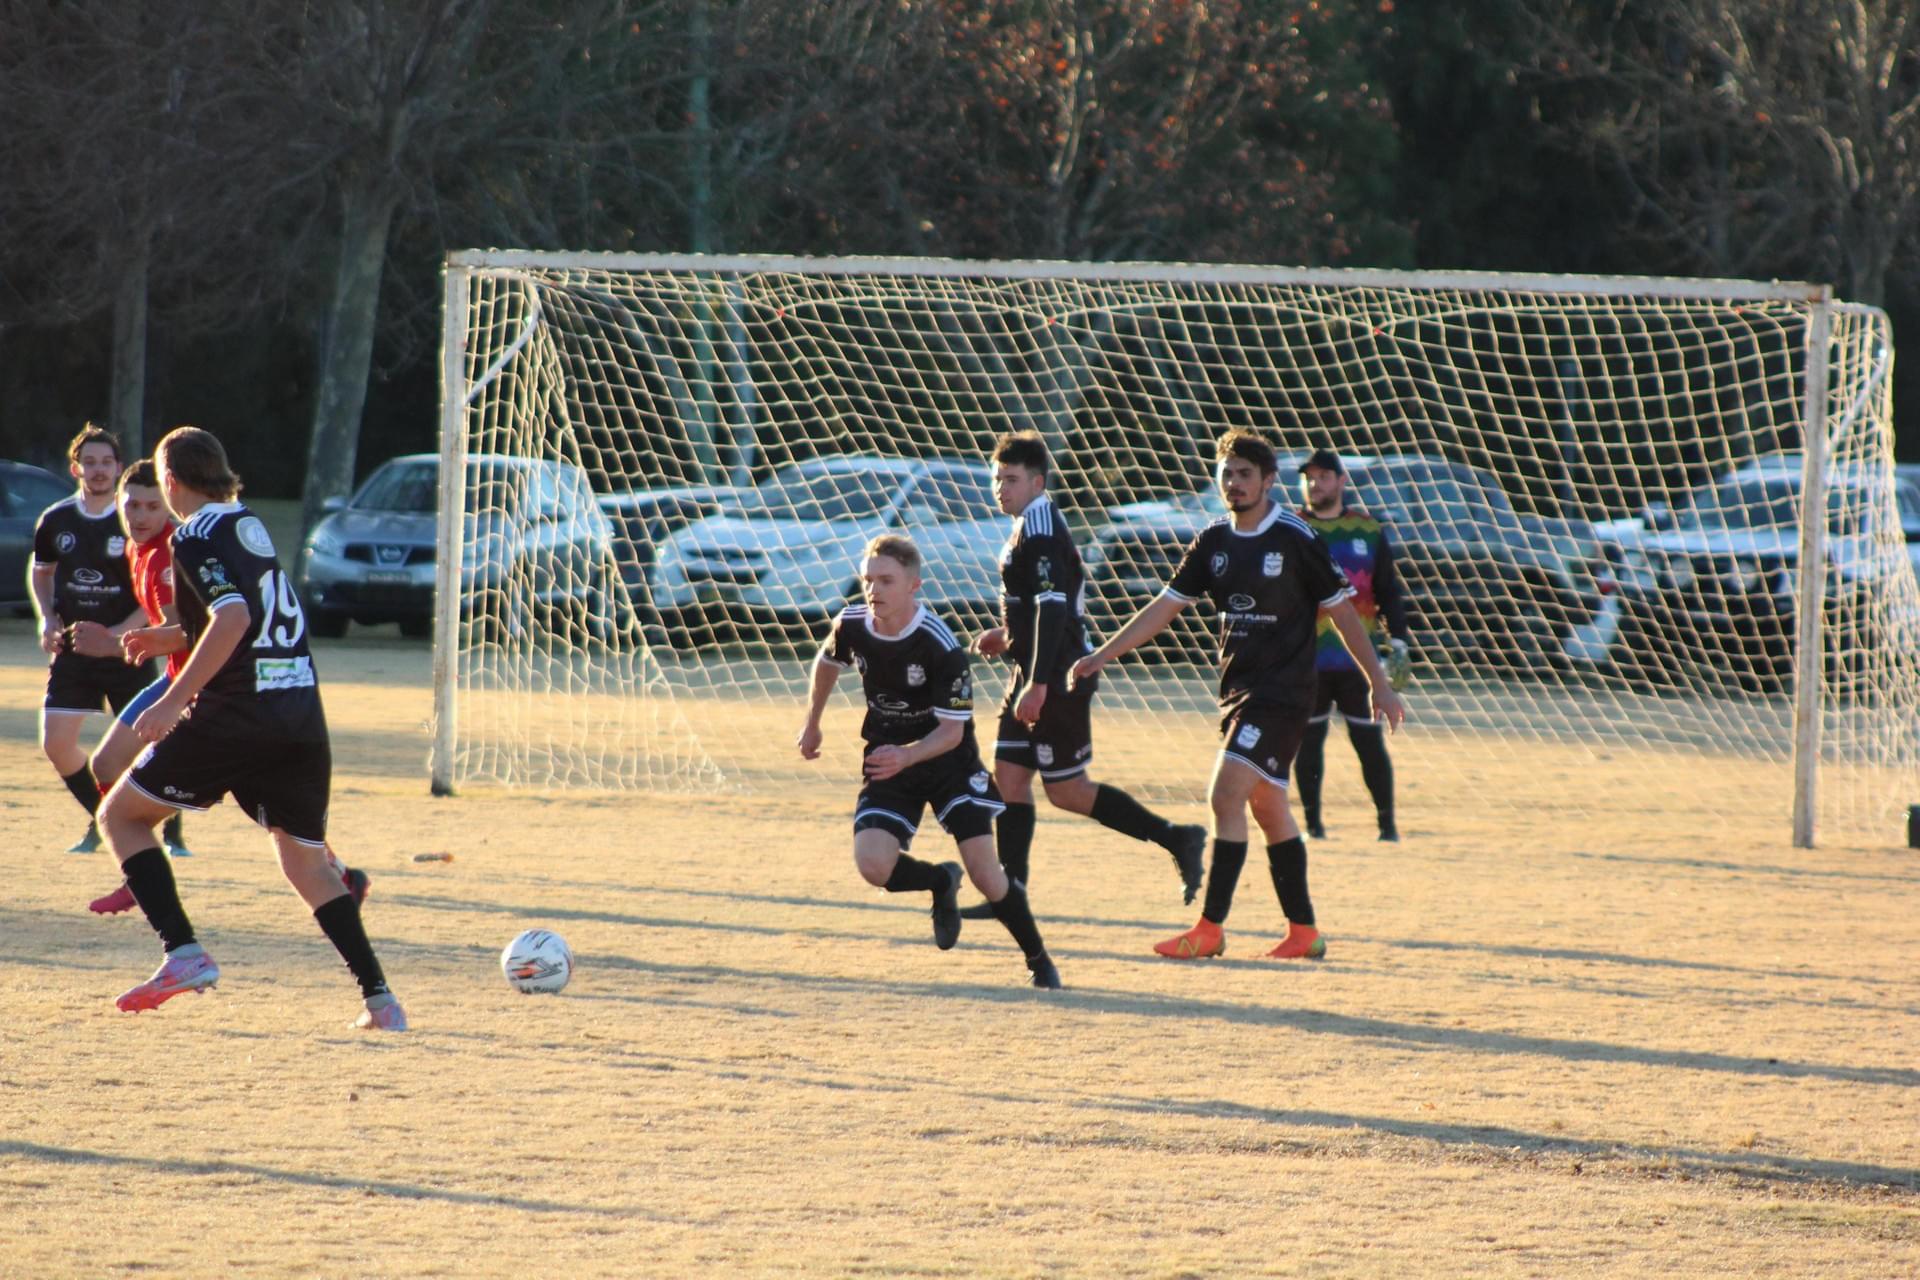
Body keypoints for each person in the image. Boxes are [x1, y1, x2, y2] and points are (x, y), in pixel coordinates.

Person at [94, 426, 406, 1030]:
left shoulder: (193, 536)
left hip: (238, 713)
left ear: (173, 483)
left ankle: (183, 954)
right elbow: (246, 615)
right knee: (306, 864)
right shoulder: (247, 524)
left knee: (120, 817)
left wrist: (171, 700)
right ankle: (381, 1001)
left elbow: (232, 617)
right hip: (299, 714)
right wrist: (167, 637)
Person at [1070, 429, 1406, 962]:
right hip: (1237, 692)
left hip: (1283, 694)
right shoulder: (1213, 541)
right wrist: (1100, 655)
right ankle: (1303, 932)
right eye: (1226, 473)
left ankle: (1209, 928)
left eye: (1245, 473)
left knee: (1224, 795)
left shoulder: (1295, 536)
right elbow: (1165, 606)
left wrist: (1379, 682)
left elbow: (1343, 613)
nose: (1234, 483)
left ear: (1269, 480)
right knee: (1268, 806)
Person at [75, 460, 371, 916]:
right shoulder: (140, 550)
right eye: (131, 504)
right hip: (190, 682)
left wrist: (113, 645)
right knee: (112, 763)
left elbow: (212, 626)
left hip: (209, 688)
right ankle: (145, 859)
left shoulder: (176, 551)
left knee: (260, 799)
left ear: (171, 499)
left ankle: (147, 860)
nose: (140, 515)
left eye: (153, 505)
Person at [798, 533, 1062, 989]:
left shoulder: (938, 643)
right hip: (888, 757)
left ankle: (1038, 959)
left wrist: (907, 756)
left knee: (986, 873)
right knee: (873, 865)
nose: (874, 590)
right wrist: (812, 722)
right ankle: (940, 881)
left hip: (947, 762)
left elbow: (951, 732)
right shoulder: (853, 623)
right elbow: (827, 661)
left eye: (886, 580)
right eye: (868, 580)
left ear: (913, 585)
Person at [959, 430, 1205, 919]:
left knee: (1066, 791)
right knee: (1007, 778)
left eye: (1010, 479)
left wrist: (1040, 683)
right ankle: (1012, 894)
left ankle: (1177, 838)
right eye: (996, 479)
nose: (1000, 488)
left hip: (1057, 675)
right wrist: (1005, 635)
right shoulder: (1026, 524)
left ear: (1037, 481)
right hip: (1030, 669)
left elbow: (1054, 612)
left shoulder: (1043, 528)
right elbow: (1035, 609)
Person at [29, 425, 158, 855]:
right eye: (90, 462)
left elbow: (155, 590)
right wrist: (47, 619)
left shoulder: (136, 518)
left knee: (153, 745)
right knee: (57, 744)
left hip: (130, 649)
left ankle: (170, 834)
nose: (98, 470)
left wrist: (120, 634)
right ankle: (103, 818)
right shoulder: (56, 519)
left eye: (106, 462)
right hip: (75, 647)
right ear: (75, 468)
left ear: (119, 468)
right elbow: (42, 570)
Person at [1294, 447, 1411, 843]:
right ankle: (1313, 827)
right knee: (1307, 743)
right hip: (1305, 659)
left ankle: (1387, 828)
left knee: (1368, 742)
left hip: (1356, 662)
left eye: (1324, 476)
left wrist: (1398, 641)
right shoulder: (1291, 528)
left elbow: (1388, 591)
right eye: (1309, 477)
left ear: (1342, 481)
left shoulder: (1368, 529)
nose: (1315, 483)